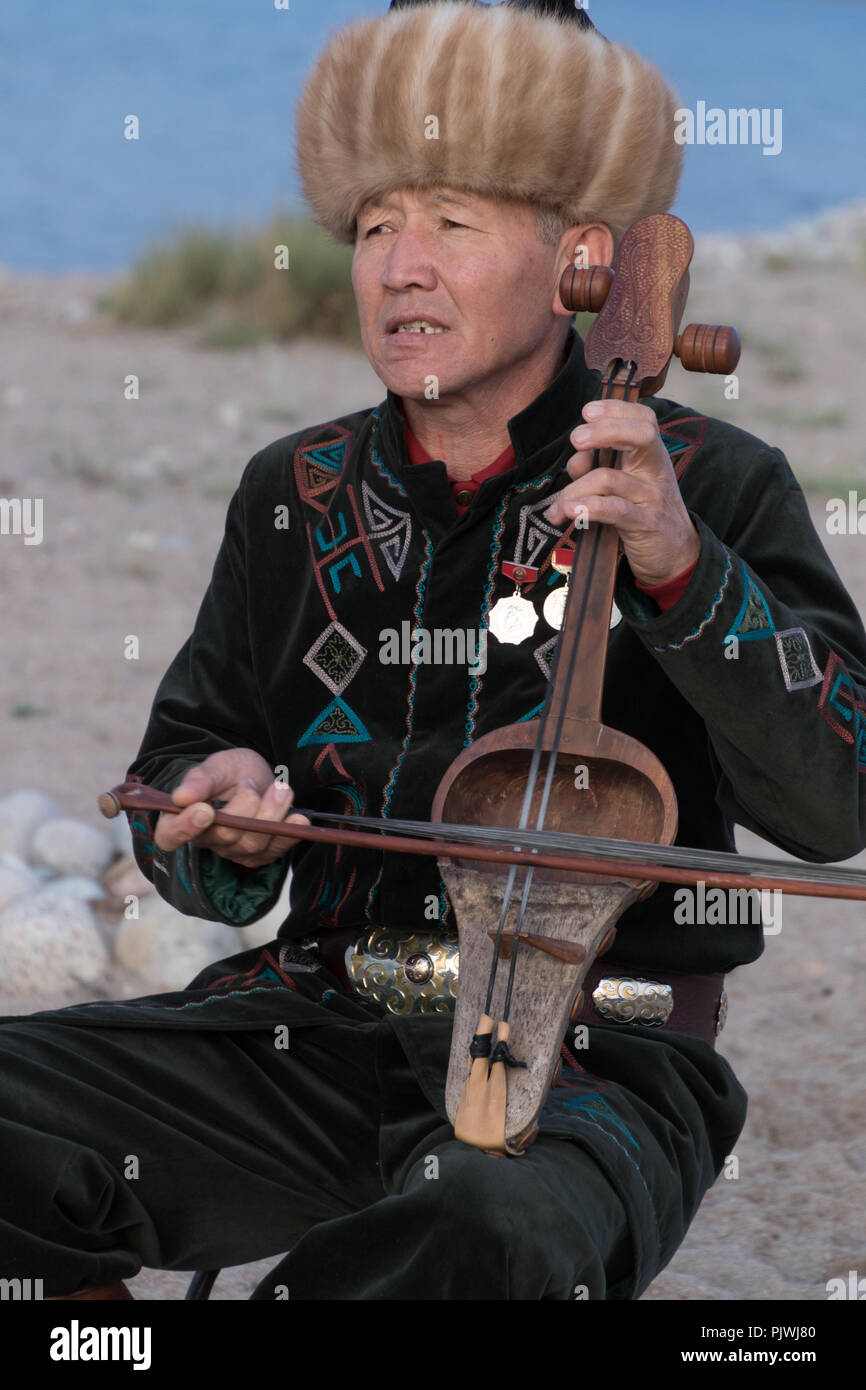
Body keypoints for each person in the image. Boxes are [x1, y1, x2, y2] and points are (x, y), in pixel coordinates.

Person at [1, 0, 865, 1302]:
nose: (399, 265)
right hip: (310, 1023)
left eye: (451, 222)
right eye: (373, 224)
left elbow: (832, 801)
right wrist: (219, 824)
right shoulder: (290, 489)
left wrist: (685, 574)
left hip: (600, 1060)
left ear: (581, 256)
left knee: (487, 1232)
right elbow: (176, 772)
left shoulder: (712, 482)